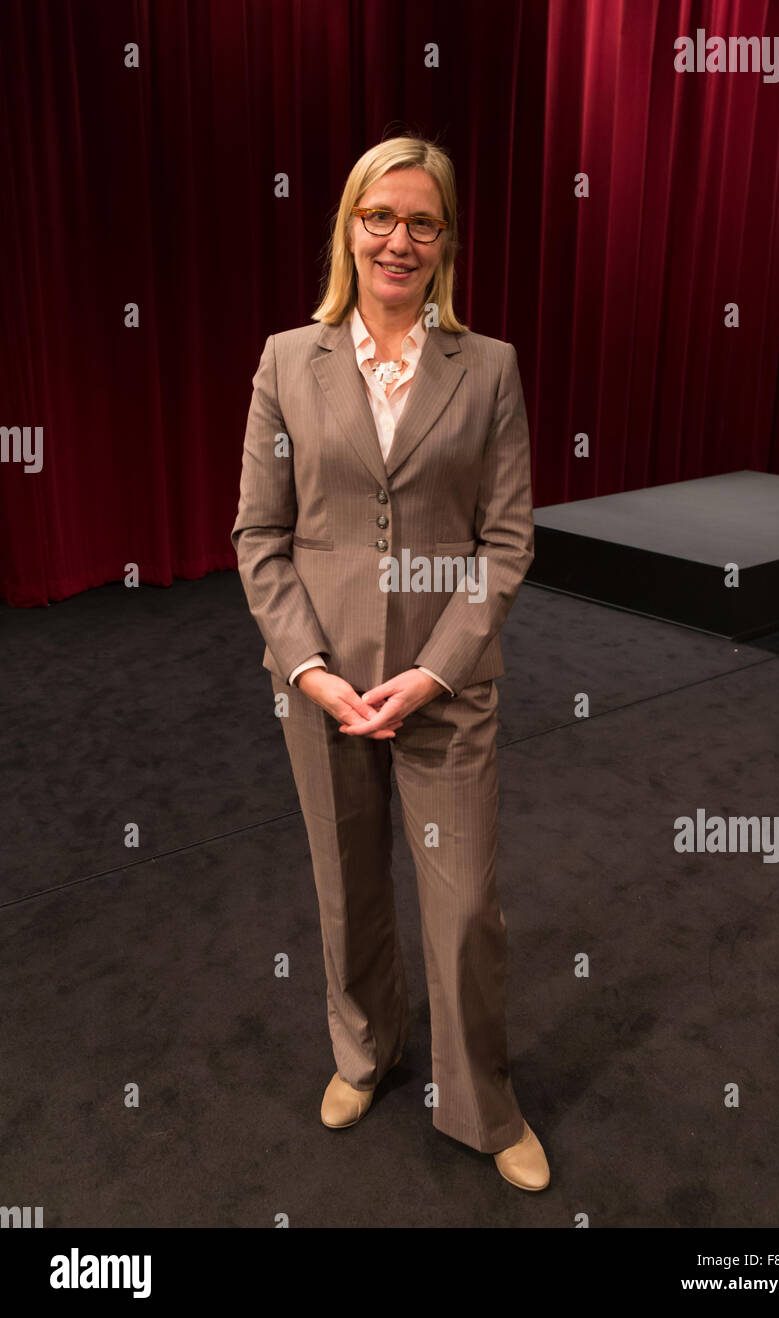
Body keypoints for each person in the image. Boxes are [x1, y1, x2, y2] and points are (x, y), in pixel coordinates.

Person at [231, 135, 549, 1191]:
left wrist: (434, 668)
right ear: (348, 228)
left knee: (463, 911)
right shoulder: (287, 360)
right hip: (321, 690)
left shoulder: (488, 367)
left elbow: (506, 543)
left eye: (421, 221)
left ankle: (481, 1104)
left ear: (445, 239)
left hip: (443, 689)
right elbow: (259, 537)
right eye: (380, 217)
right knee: (346, 889)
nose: (398, 240)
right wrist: (307, 668)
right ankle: (364, 1053)